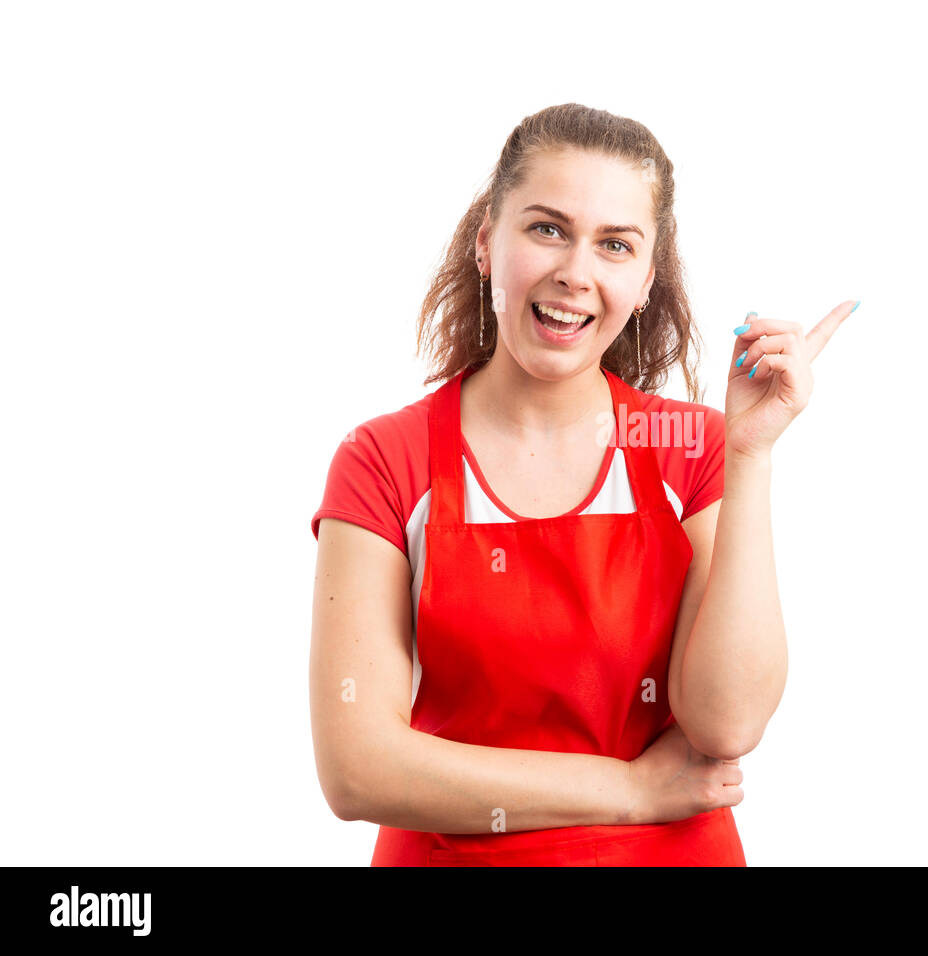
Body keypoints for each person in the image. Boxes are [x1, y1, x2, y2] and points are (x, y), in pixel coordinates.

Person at [308, 103, 856, 866]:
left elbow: (724, 726)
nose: (576, 272)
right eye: (546, 229)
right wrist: (630, 790)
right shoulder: (385, 460)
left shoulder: (689, 449)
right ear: (485, 244)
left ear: (644, 280)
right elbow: (357, 768)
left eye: (615, 245)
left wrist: (751, 455)